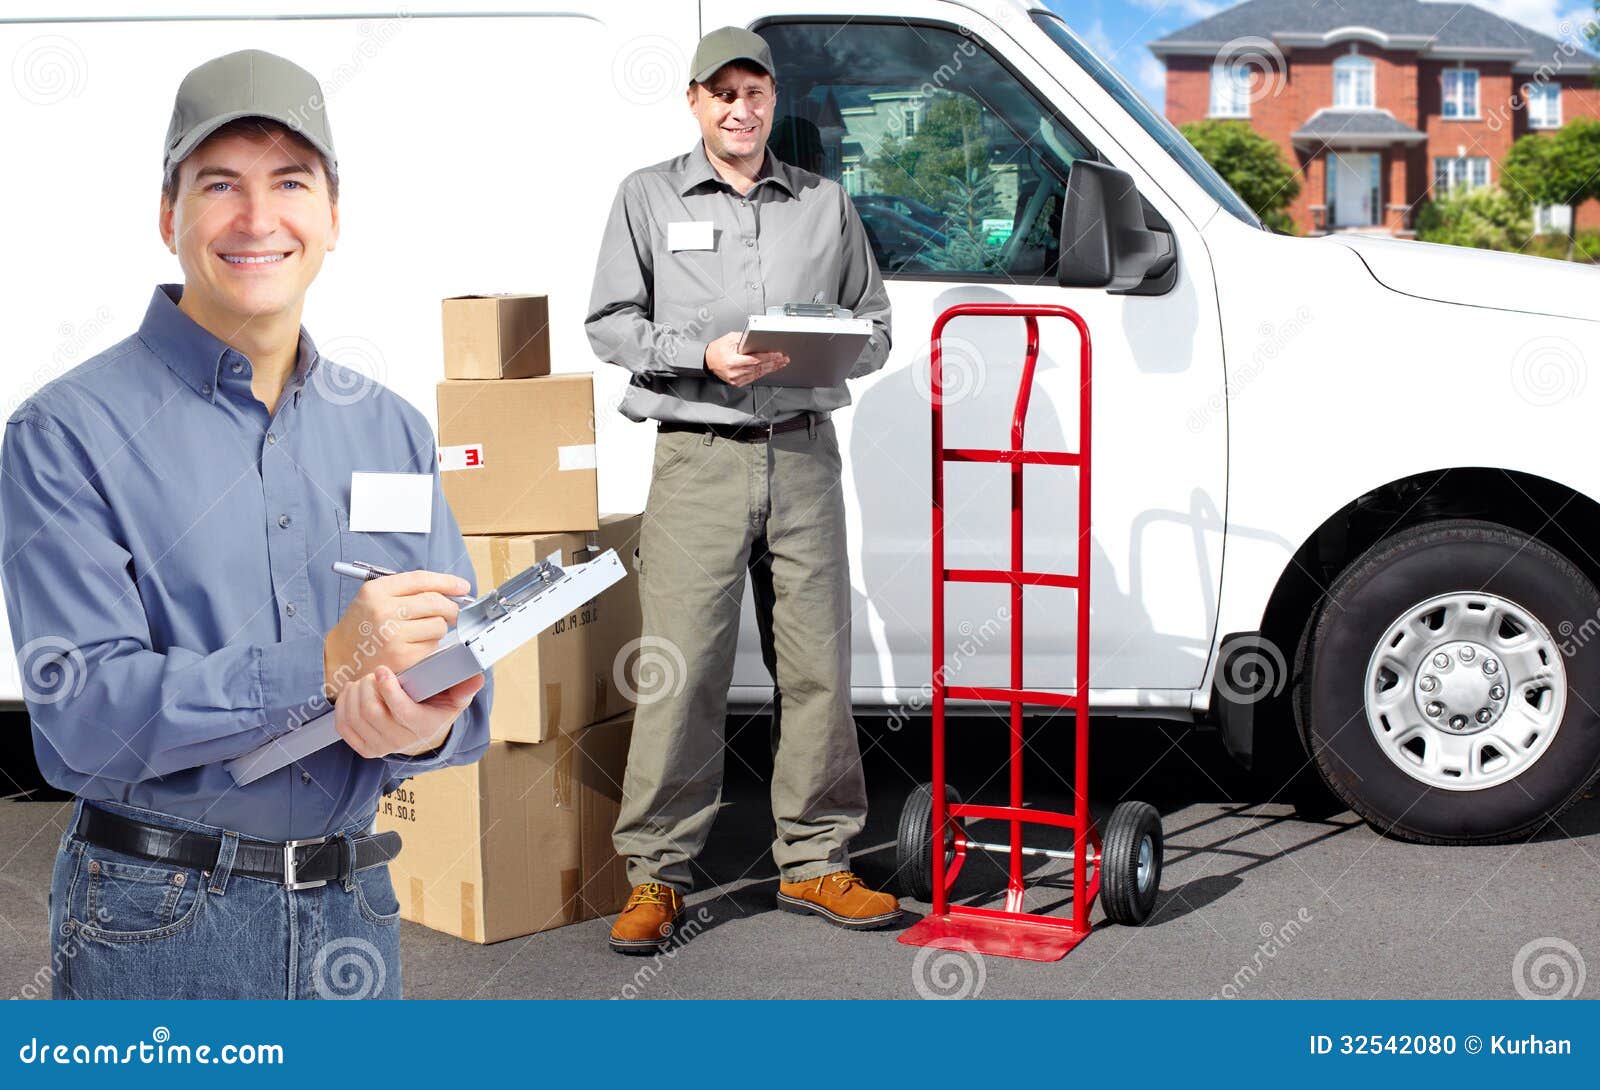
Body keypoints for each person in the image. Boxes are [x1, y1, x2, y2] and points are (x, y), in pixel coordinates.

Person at [0, 50, 491, 999]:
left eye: (291, 184)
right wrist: (324, 663)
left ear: (333, 218)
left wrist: (428, 720)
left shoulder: (387, 425)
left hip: (355, 905)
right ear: (167, 216)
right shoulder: (67, 431)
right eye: (220, 184)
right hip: (156, 918)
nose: (258, 219)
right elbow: (83, 714)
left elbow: (463, 678)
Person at [586, 26, 896, 955]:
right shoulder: (647, 196)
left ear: (771, 100)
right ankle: (656, 876)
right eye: (721, 93)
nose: (740, 108)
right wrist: (700, 356)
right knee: (684, 672)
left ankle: (816, 862)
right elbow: (609, 322)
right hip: (698, 456)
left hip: (804, 456)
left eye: (754, 92)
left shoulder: (823, 204)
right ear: (694, 102)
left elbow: (876, 325)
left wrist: (830, 343)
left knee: (816, 670)